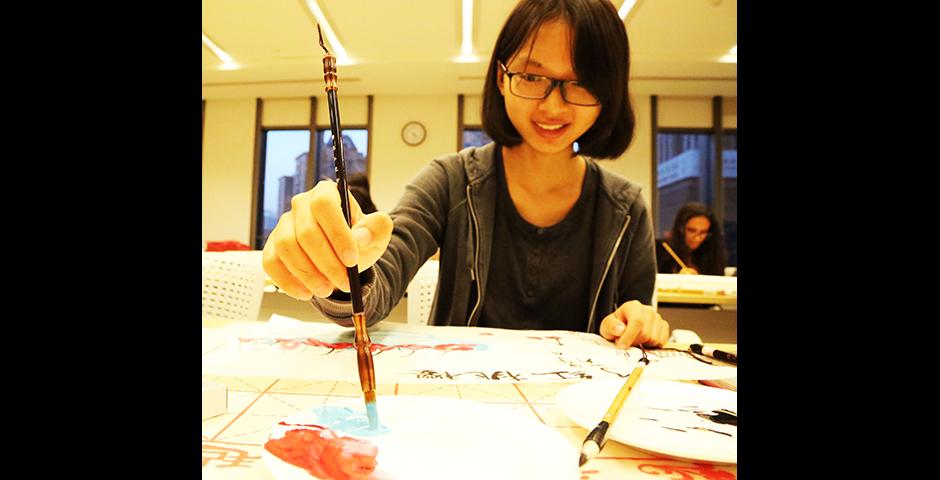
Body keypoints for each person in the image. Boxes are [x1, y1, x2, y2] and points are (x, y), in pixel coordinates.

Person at [262, 0, 669, 349]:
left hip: (581, 414)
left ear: (609, 92)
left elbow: (635, 316)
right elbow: (377, 287)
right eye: (531, 76)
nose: (553, 107)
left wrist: (640, 322)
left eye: (582, 83)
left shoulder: (626, 207)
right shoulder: (450, 181)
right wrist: (338, 263)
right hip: (460, 407)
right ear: (501, 79)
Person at [657, 202, 727, 276]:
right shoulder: (662, 250)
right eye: (692, 230)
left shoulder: (711, 254)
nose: (697, 237)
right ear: (681, 228)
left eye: (703, 232)